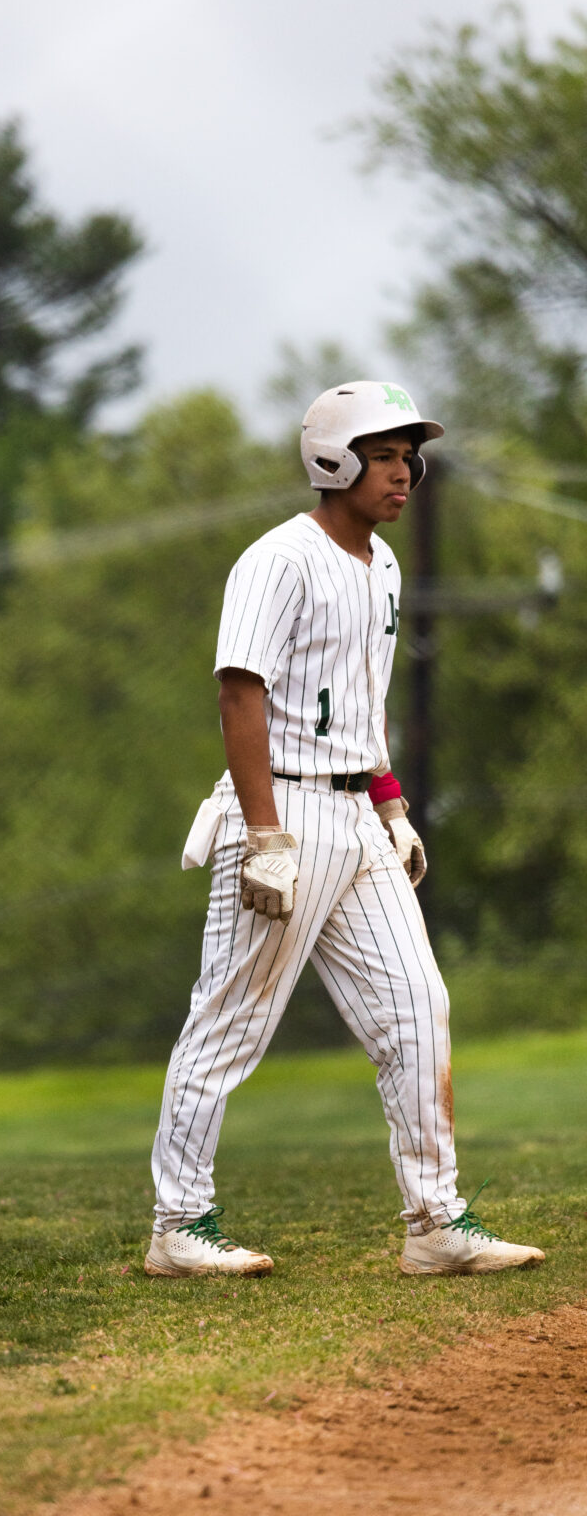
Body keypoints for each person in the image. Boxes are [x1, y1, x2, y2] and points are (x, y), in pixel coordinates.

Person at [146, 380, 545, 1279]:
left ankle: (435, 1223)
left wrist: (392, 799)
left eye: (411, 457)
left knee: (418, 1010)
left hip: (357, 813)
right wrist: (264, 835)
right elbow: (238, 692)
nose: (405, 474)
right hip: (280, 805)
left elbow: (363, 701)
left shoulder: (385, 566)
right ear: (334, 459)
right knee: (228, 1024)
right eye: (386, 455)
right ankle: (178, 1226)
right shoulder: (278, 559)